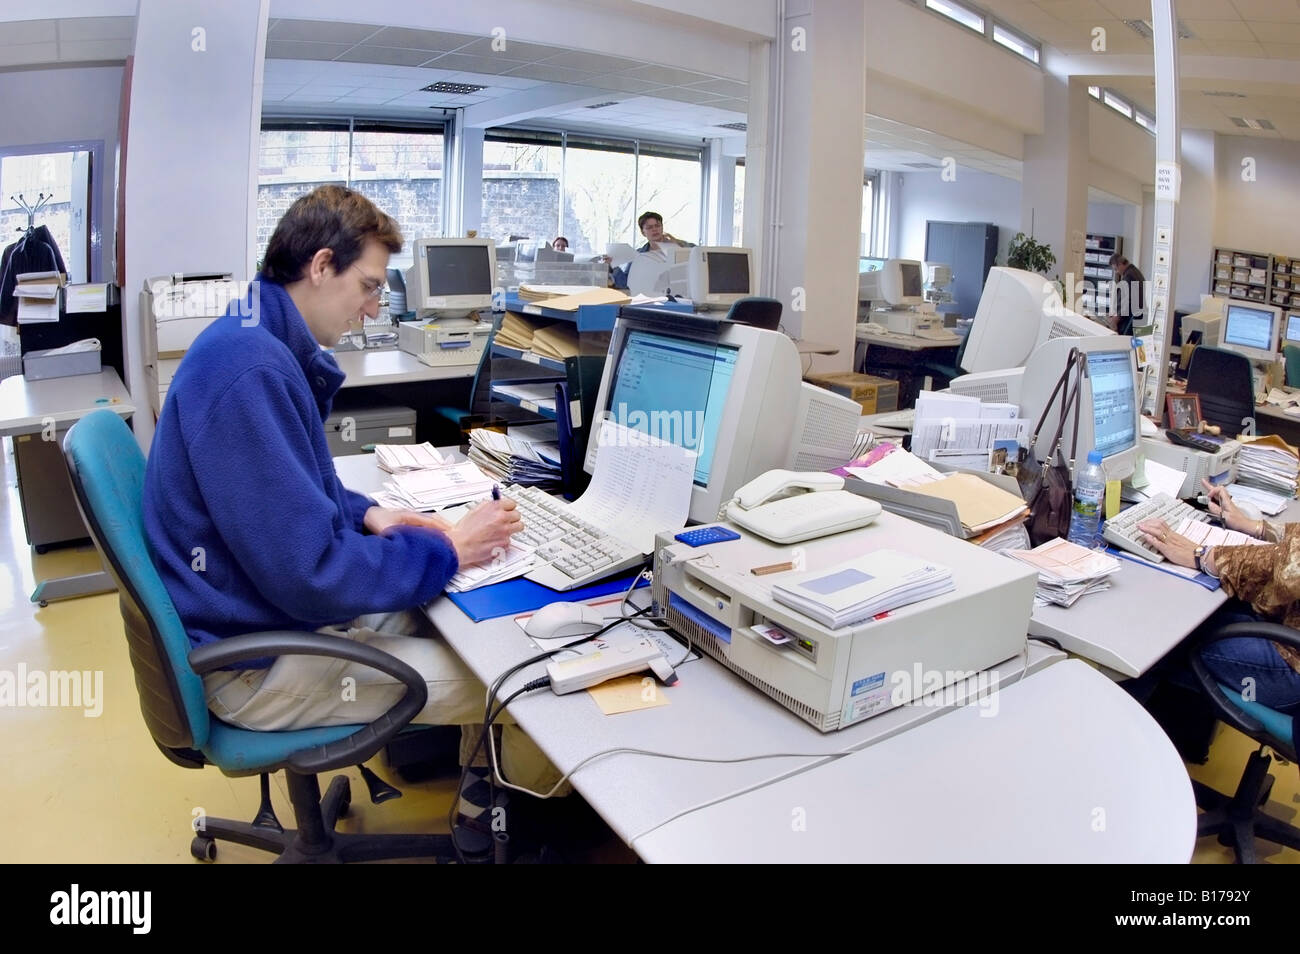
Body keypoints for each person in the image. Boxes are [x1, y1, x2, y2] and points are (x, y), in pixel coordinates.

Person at [142, 184, 556, 851]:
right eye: (366, 286)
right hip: (257, 664)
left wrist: (371, 514)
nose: (371, 311)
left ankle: (481, 798)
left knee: (460, 615)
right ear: (320, 265)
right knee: (503, 676)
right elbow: (312, 574)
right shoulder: (250, 369)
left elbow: (295, 493)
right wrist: (449, 548)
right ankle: (485, 824)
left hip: (255, 615)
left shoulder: (251, 334)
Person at [1137, 479, 1300, 731]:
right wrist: (1254, 527)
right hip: (1289, 629)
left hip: (1291, 669)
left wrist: (1203, 555)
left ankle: (1121, 746)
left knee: (1163, 640)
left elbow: (1292, 569)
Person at [611, 211, 696, 289]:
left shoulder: (681, 246)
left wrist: (680, 249)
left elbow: (701, 259)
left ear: (662, 227)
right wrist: (613, 264)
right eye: (649, 227)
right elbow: (624, 283)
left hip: (680, 296)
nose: (654, 229)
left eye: (657, 226)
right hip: (650, 298)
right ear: (643, 232)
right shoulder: (638, 255)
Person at [1109, 253, 1146, 338]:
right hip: (1135, 317)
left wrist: (1117, 317)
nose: (1117, 272)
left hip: (1129, 320)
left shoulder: (1130, 276)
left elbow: (1128, 301)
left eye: (1116, 269)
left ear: (1120, 264)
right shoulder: (1134, 272)